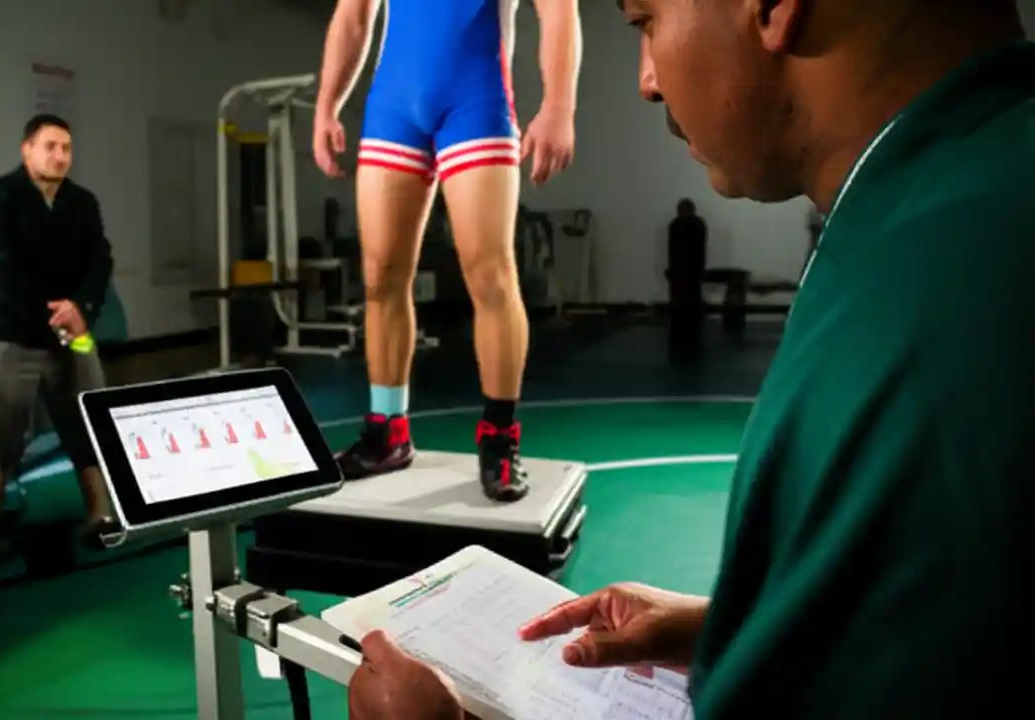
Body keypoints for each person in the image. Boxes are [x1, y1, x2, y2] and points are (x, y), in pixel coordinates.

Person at [348, 0, 1032, 717]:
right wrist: (731, 626)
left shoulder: (937, 296)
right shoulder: (956, 195)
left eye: (646, 21)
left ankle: (492, 433)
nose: (647, 80)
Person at [313, 0, 581, 502]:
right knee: (380, 277)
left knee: (491, 275)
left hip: (475, 104)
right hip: (394, 108)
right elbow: (353, 15)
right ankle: (387, 431)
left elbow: (559, 11)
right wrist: (327, 106)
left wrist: (559, 107)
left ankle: (499, 436)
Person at [0, 114, 116, 564]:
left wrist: (82, 309)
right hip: (10, 336)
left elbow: (100, 260)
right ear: (26, 149)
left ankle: (102, 519)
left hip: (74, 334)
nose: (60, 155)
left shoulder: (82, 202)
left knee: (90, 426)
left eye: (66, 148)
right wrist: (51, 315)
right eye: (50, 146)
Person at [666, 198, 707, 361]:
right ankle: (691, 336)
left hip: (680, 272)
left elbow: (672, 251)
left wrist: (671, 270)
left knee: (679, 305)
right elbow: (700, 250)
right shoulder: (698, 225)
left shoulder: (675, 225)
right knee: (692, 304)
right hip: (692, 272)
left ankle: (680, 337)